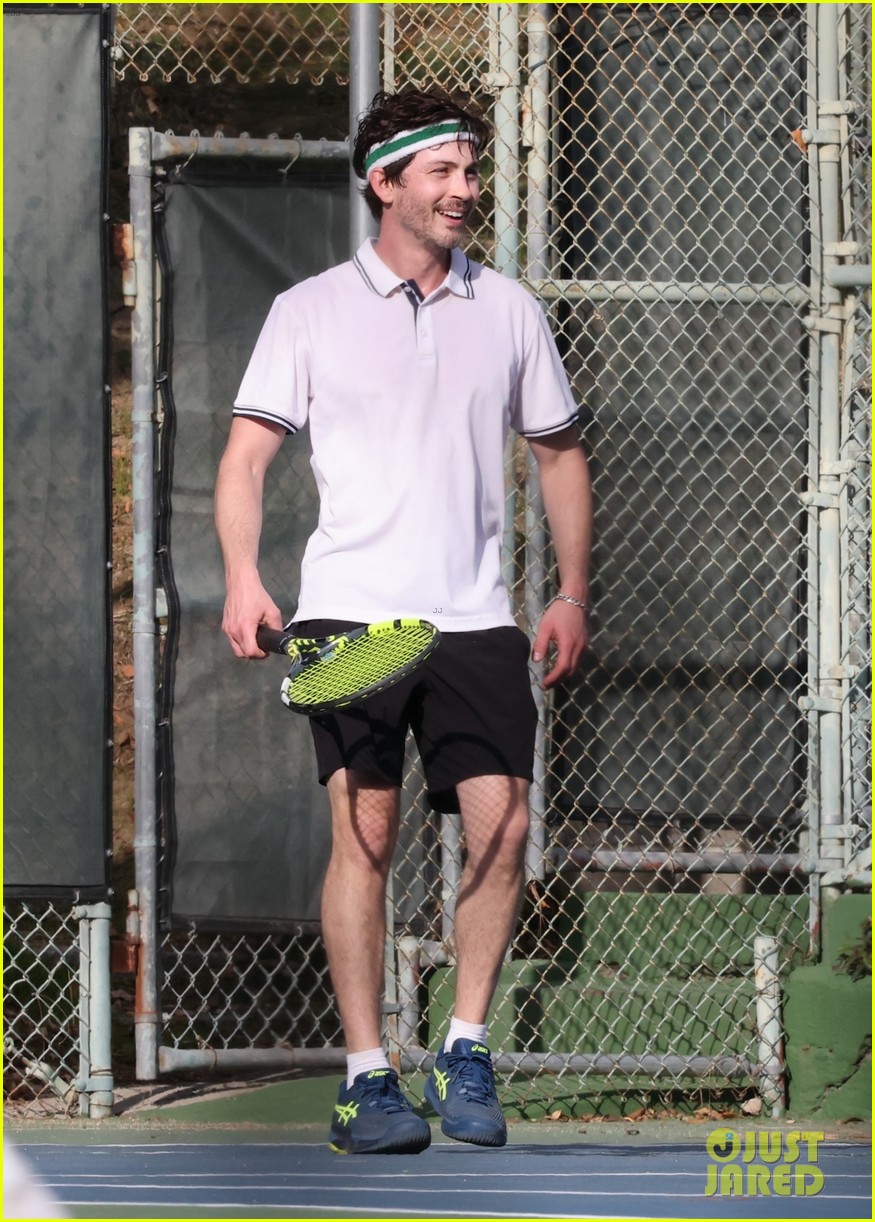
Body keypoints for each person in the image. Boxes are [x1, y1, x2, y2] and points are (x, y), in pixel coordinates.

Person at [215, 86, 592, 1155]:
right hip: (350, 618)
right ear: (384, 182)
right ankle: (365, 1075)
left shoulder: (510, 310)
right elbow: (245, 459)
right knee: (366, 835)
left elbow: (557, 453)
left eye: (472, 170)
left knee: (502, 822)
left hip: (474, 618)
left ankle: (464, 1046)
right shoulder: (309, 311)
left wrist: (566, 590)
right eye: (443, 172)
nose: (466, 189)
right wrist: (243, 576)